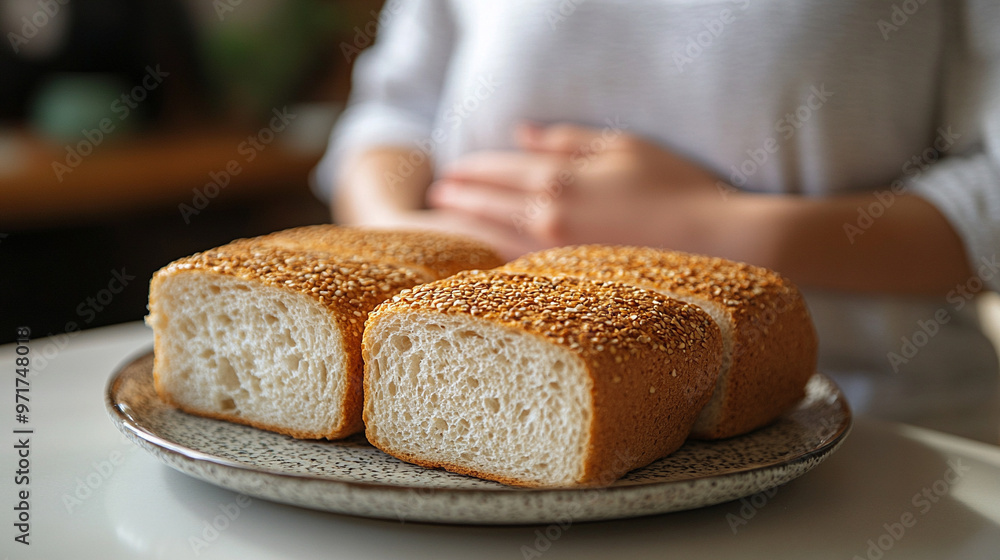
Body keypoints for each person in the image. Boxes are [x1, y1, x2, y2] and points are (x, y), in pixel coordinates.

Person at [313, 0, 1000, 442]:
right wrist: (401, 237)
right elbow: (393, 114)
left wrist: (706, 228)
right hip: (467, 426)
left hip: (876, 437)